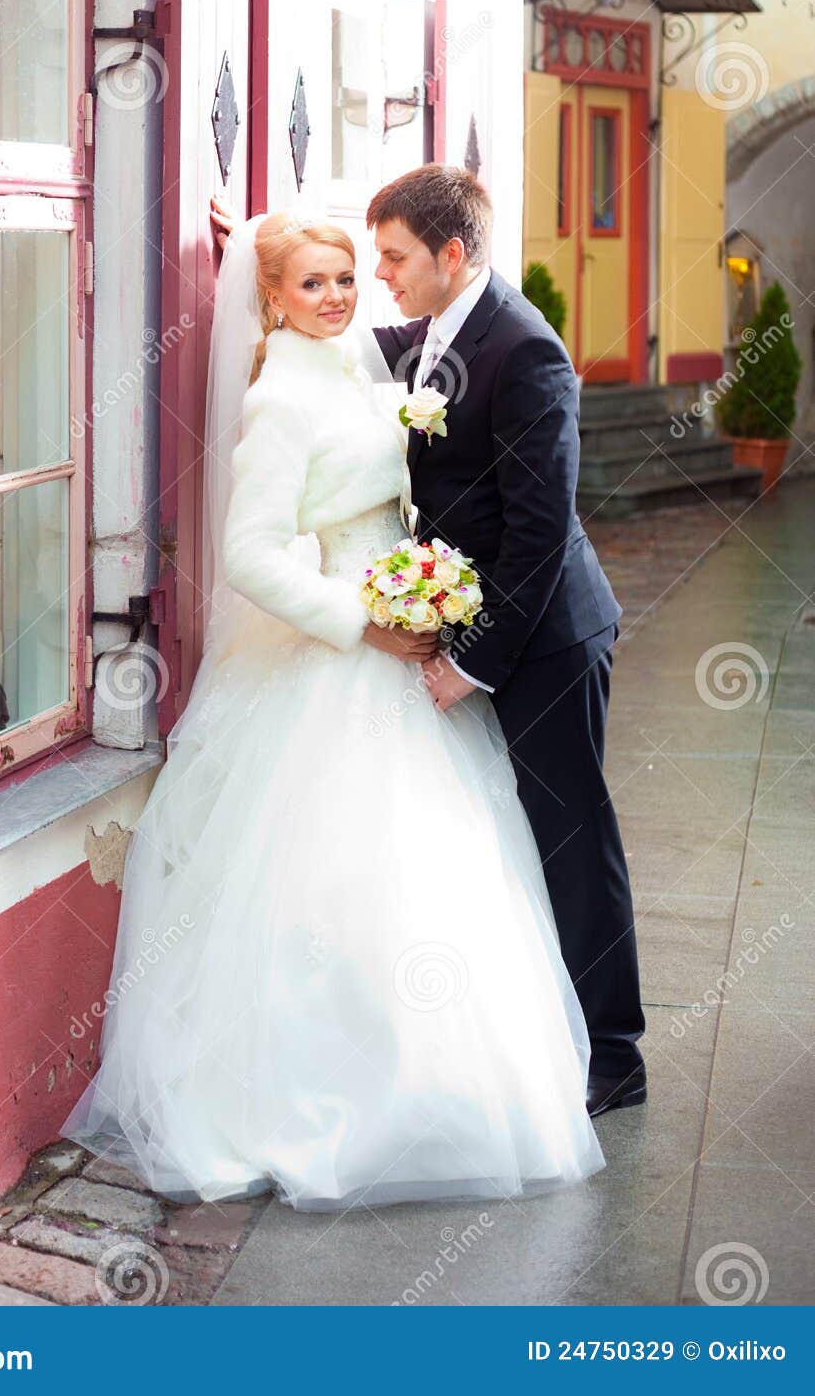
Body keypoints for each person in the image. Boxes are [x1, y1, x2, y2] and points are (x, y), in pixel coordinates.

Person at [60, 210, 605, 1211]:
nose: (341, 296)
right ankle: (323, 1089)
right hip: (340, 647)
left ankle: (444, 1076)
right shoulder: (280, 403)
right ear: (271, 299)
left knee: (429, 866)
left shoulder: (361, 368)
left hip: (403, 638)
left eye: (351, 275)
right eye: (312, 284)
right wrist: (359, 620)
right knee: (324, 872)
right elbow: (254, 554)